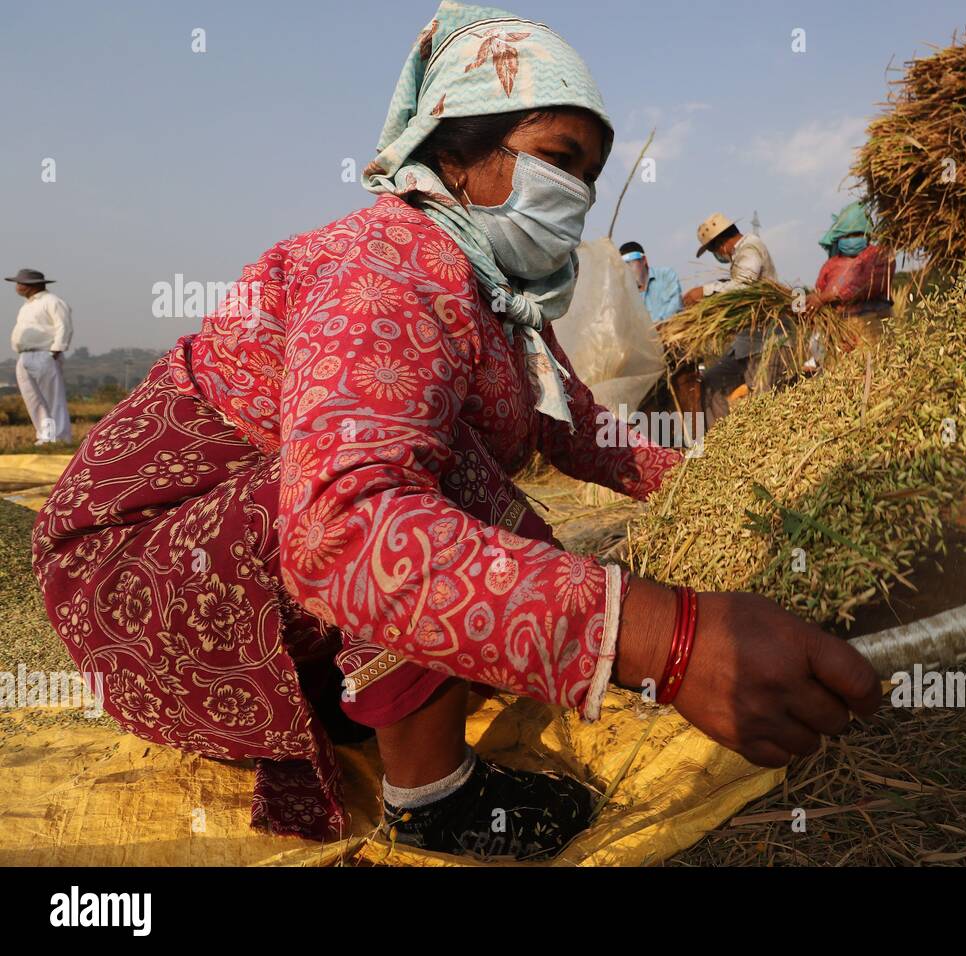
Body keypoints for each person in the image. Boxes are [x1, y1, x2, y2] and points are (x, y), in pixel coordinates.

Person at [31, 2, 880, 862]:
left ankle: (380, 703)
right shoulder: (385, 264)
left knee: (468, 506)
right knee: (427, 482)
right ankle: (432, 795)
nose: (578, 194)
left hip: (260, 589)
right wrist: (674, 641)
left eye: (590, 173)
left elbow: (589, 435)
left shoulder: (503, 301)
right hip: (150, 593)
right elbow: (344, 527)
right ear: (452, 155)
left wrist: (737, 475)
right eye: (558, 160)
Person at [683, 214, 781, 428]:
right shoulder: (740, 257)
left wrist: (705, 291)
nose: (715, 255)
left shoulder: (750, 249)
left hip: (767, 341)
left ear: (720, 244)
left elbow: (743, 286)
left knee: (763, 404)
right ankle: (722, 437)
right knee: (710, 382)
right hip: (746, 343)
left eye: (712, 250)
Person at [6, 268, 73, 444]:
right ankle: (46, 436)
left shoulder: (52, 301)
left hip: (44, 354)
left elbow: (63, 326)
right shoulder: (27, 306)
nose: (18, 287)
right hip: (25, 356)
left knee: (52, 398)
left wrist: (56, 350)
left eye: (20, 283)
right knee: (34, 399)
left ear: (31, 285)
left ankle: (60, 437)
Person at [808, 201, 894, 317]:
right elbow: (819, 290)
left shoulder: (878, 256)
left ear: (867, 235)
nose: (851, 240)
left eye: (857, 234)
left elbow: (865, 286)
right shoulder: (831, 264)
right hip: (840, 325)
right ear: (838, 238)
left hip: (873, 322)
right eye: (846, 236)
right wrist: (813, 300)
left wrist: (825, 297)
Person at [619, 241, 683, 324]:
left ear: (644, 260)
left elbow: (676, 306)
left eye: (629, 264)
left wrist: (656, 326)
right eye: (623, 267)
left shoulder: (666, 275)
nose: (627, 271)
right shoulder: (626, 297)